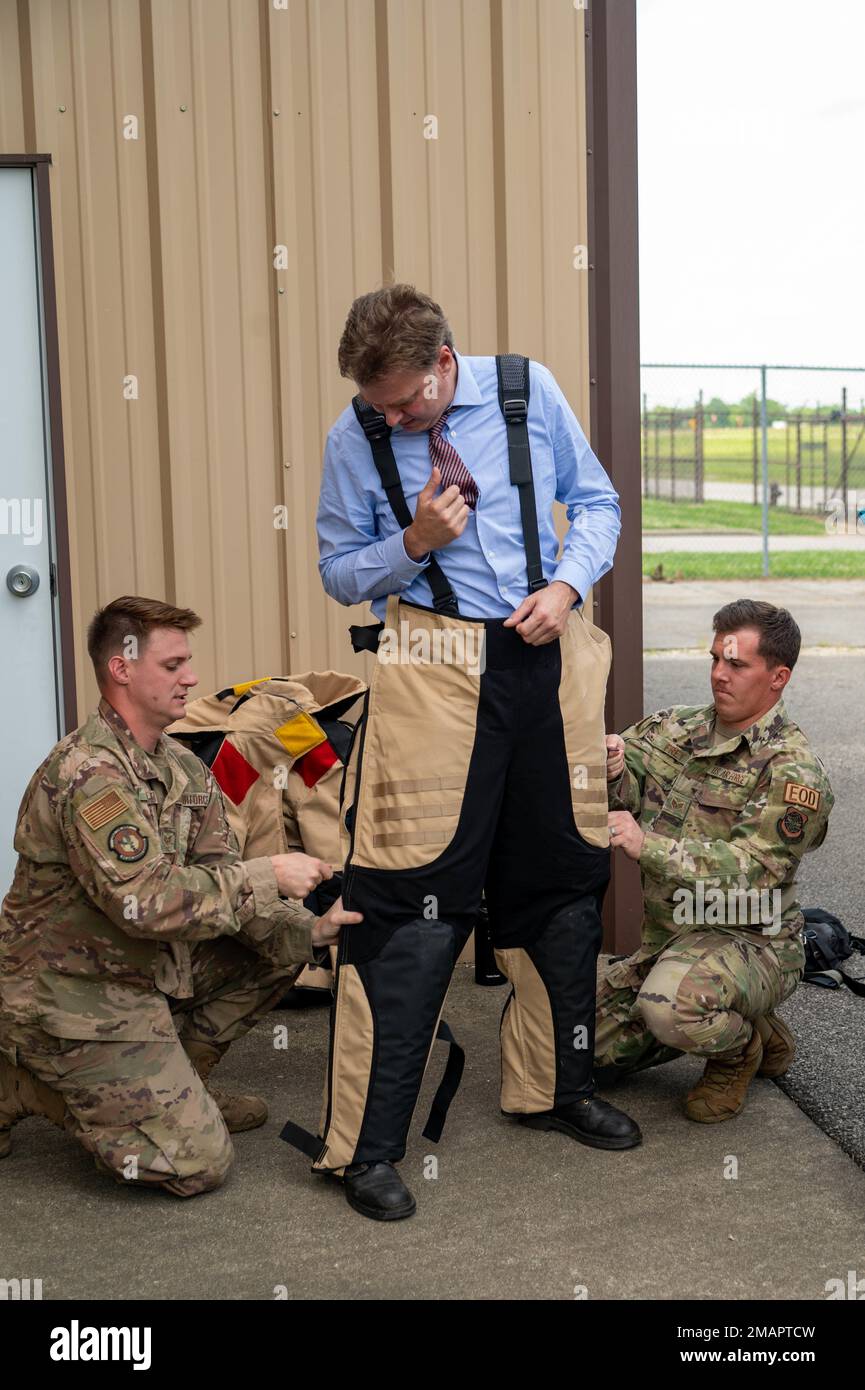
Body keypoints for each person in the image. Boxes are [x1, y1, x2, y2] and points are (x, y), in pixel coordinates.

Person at [282, 283, 640, 1222]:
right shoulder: (351, 437)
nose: (391, 417)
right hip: (432, 661)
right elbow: (336, 571)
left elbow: (596, 503)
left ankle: (553, 1089)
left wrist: (566, 585)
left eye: (405, 401)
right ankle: (364, 1151)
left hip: (545, 653)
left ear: (445, 363)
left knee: (561, 878)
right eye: (378, 405)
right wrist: (410, 542)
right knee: (409, 897)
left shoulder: (526, 392)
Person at [0, 596, 359, 1195]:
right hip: (67, 992)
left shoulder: (181, 768)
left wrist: (312, 932)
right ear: (122, 670)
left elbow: (220, 883)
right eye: (172, 665)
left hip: (136, 971)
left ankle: (174, 1084)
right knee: (197, 1164)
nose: (191, 676)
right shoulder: (90, 775)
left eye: (188, 662)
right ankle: (27, 1081)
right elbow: (147, 904)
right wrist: (267, 873)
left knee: (275, 944)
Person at [597, 598, 833, 1122]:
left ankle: (738, 1053)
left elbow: (754, 869)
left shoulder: (794, 771)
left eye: (737, 665)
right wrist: (614, 766)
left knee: (671, 1007)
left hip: (754, 941)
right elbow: (627, 786)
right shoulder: (676, 728)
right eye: (715, 660)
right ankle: (752, 1023)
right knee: (576, 1051)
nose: (719, 675)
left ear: (778, 677)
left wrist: (645, 845)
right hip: (672, 941)